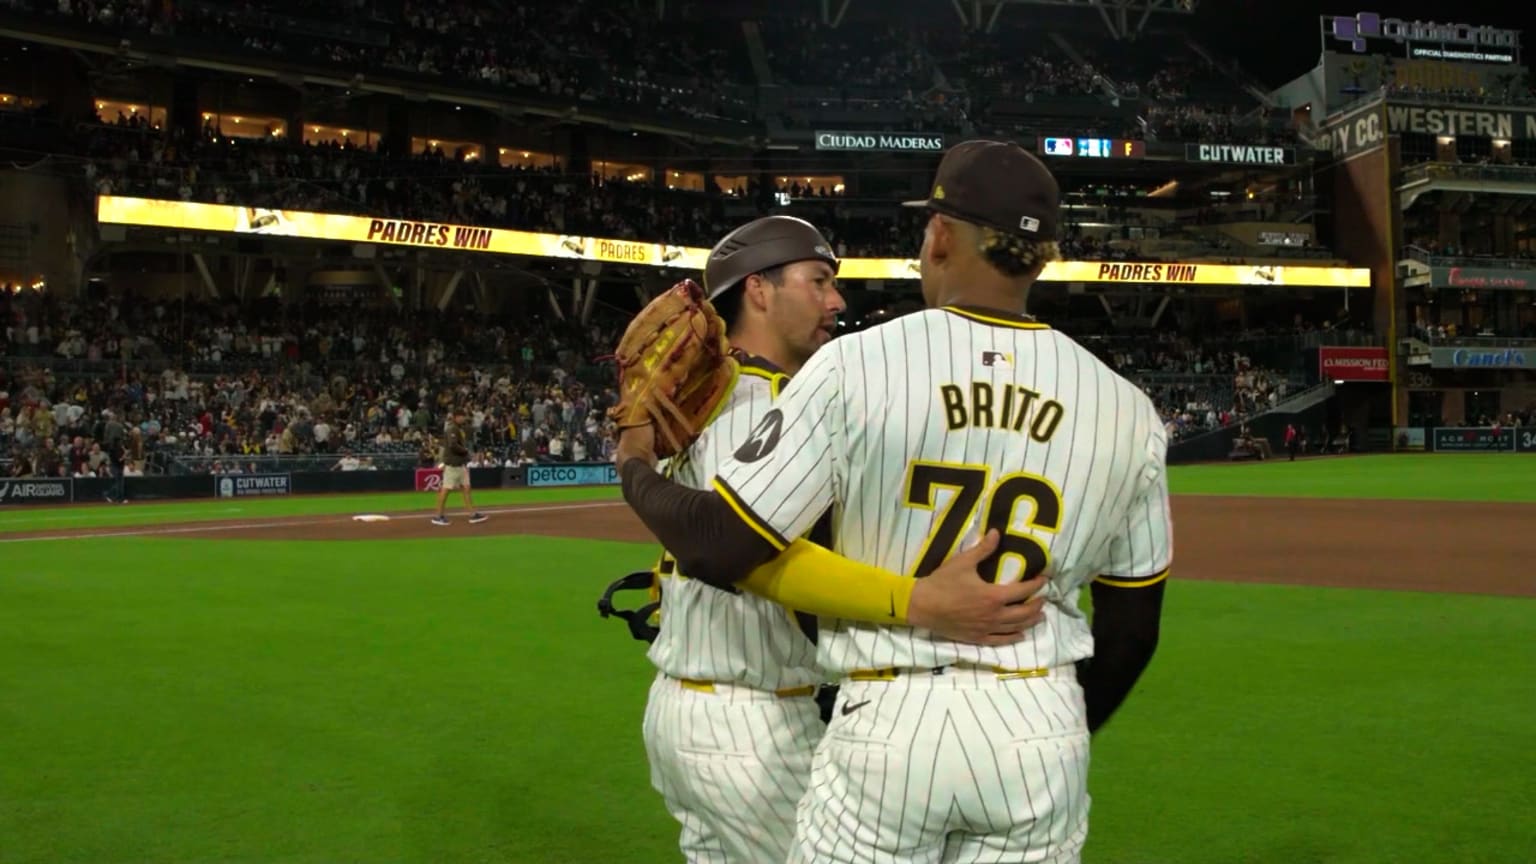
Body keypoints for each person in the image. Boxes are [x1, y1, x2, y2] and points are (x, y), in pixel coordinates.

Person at [615, 140, 1172, 863]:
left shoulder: (857, 365)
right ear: (1043, 258)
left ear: (938, 236)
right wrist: (1053, 725)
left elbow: (725, 542)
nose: (836, 300)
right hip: (1039, 713)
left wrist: (632, 456)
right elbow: (1133, 632)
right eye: (820, 281)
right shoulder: (1128, 409)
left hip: (887, 705)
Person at [628, 215, 1052, 864]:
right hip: (751, 724)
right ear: (758, 289)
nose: (836, 300)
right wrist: (919, 601)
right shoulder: (759, 404)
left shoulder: (714, 400)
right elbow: (740, 556)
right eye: (818, 281)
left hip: (709, 709)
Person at [432, 408, 486, 526]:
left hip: (460, 464)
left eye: (464, 416)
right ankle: (438, 516)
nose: (464, 418)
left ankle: (472, 514)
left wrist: (465, 455)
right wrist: (465, 451)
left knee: (466, 488)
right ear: (456, 417)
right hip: (452, 464)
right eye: (462, 416)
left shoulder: (459, 428)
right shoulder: (452, 428)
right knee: (446, 490)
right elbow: (453, 445)